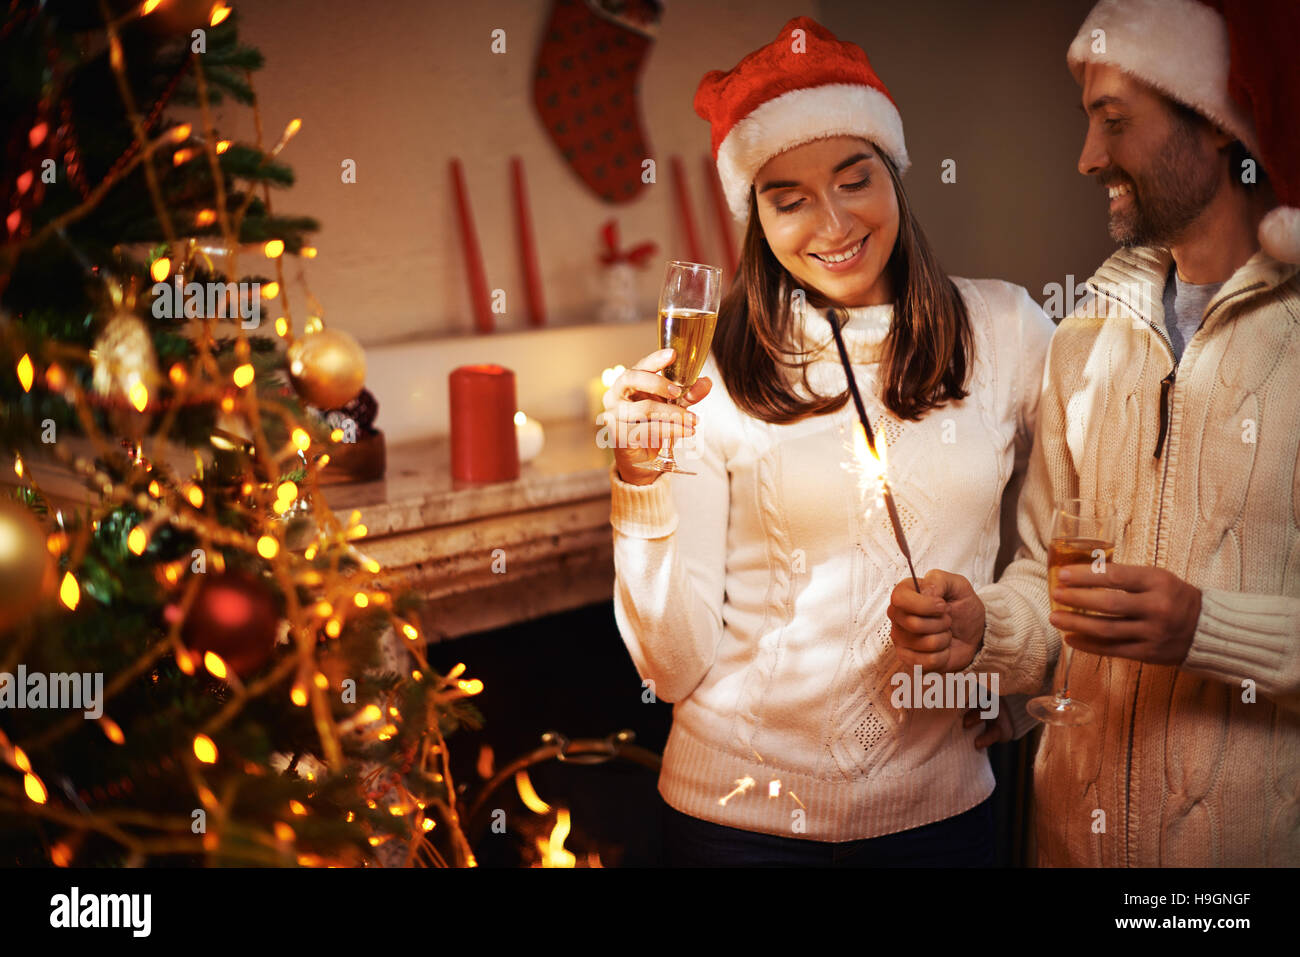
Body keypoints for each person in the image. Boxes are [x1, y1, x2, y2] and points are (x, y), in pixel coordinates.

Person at [601, 16, 1054, 866]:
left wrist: (1009, 655)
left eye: (856, 180)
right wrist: (641, 481)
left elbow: (1078, 530)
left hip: (942, 817)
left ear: (897, 176)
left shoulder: (1009, 329)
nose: (833, 223)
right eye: (789, 199)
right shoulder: (712, 375)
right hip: (734, 824)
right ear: (755, 218)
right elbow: (669, 666)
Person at [887, 0, 1300, 866]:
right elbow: (1047, 579)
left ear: (1222, 127)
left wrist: (1205, 625)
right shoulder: (1083, 339)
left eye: (1114, 123)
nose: (1087, 158)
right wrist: (986, 625)